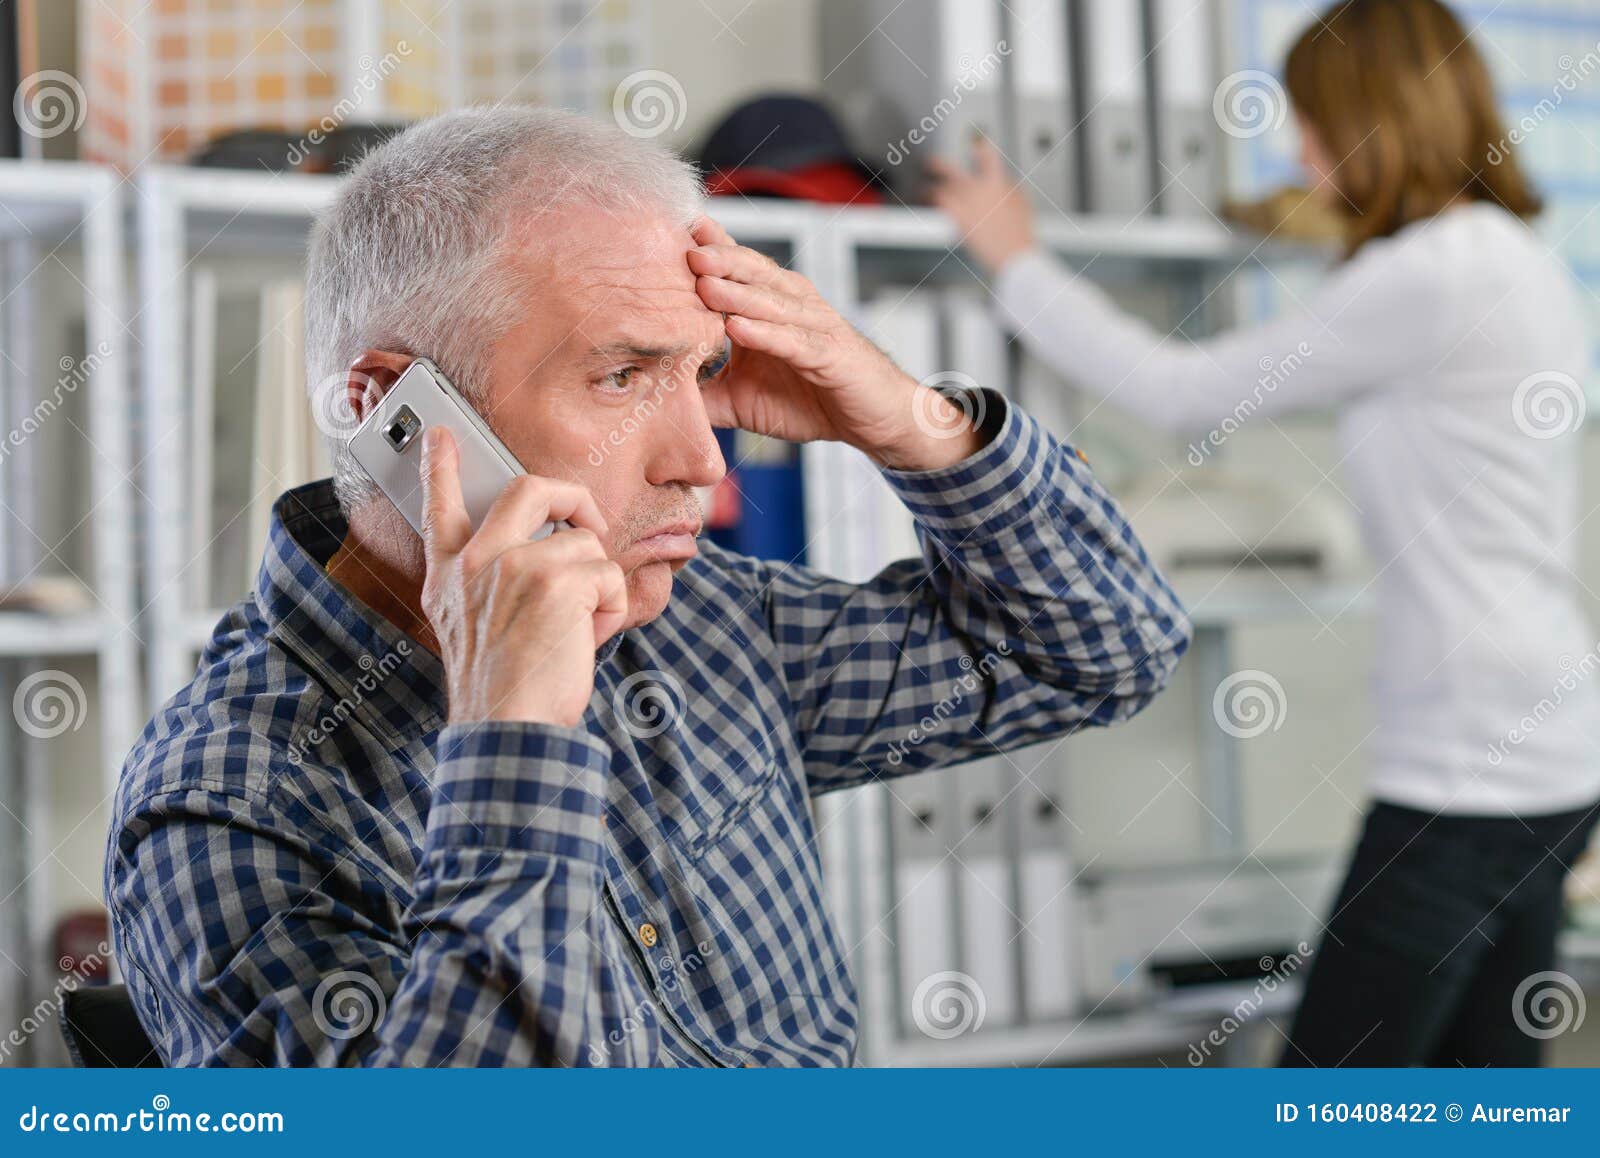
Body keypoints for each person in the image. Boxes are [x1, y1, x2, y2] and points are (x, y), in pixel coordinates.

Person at [106, 105, 1190, 1066]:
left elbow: (1101, 648)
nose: (704, 463)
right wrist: (513, 740)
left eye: (702, 373)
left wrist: (914, 425)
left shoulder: (698, 624)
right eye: (622, 376)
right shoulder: (225, 800)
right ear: (398, 414)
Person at [931, 0, 1600, 1066]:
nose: (1298, 146)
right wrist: (1279, 212)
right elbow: (1354, 286)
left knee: (1325, 1090)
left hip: (1472, 765)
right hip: (1547, 748)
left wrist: (1016, 261)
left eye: (1314, 123)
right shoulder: (1504, 254)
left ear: (1378, 123)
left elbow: (1185, 390)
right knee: (1481, 1091)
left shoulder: (1430, 272)